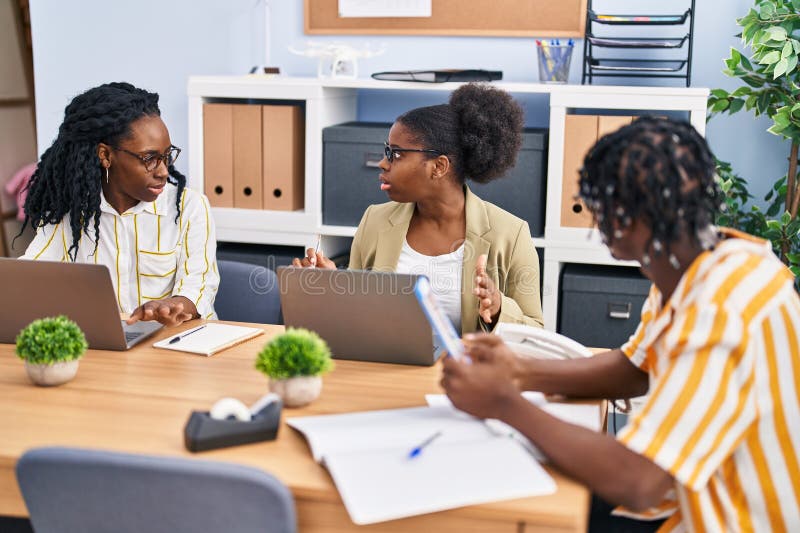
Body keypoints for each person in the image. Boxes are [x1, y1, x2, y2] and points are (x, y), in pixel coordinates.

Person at [441, 117, 800, 531]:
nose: (594, 216)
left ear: (627, 217)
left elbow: (638, 481)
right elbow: (634, 369)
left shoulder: (722, 306)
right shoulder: (696, 259)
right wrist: (519, 370)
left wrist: (505, 403)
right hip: (694, 497)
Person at [294, 83, 543, 334]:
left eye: (396, 154)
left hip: (465, 371)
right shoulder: (375, 221)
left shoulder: (511, 234)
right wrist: (335, 286)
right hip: (389, 368)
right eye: (386, 151)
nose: (382, 163)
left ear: (439, 166)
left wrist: (499, 308)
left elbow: (536, 331)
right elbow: (359, 321)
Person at [20, 82, 219, 327]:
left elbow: (199, 286)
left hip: (178, 343)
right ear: (105, 155)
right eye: (149, 159)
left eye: (167, 156)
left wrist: (170, 306)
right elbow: (28, 276)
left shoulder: (189, 207)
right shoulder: (71, 212)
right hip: (106, 346)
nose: (163, 171)